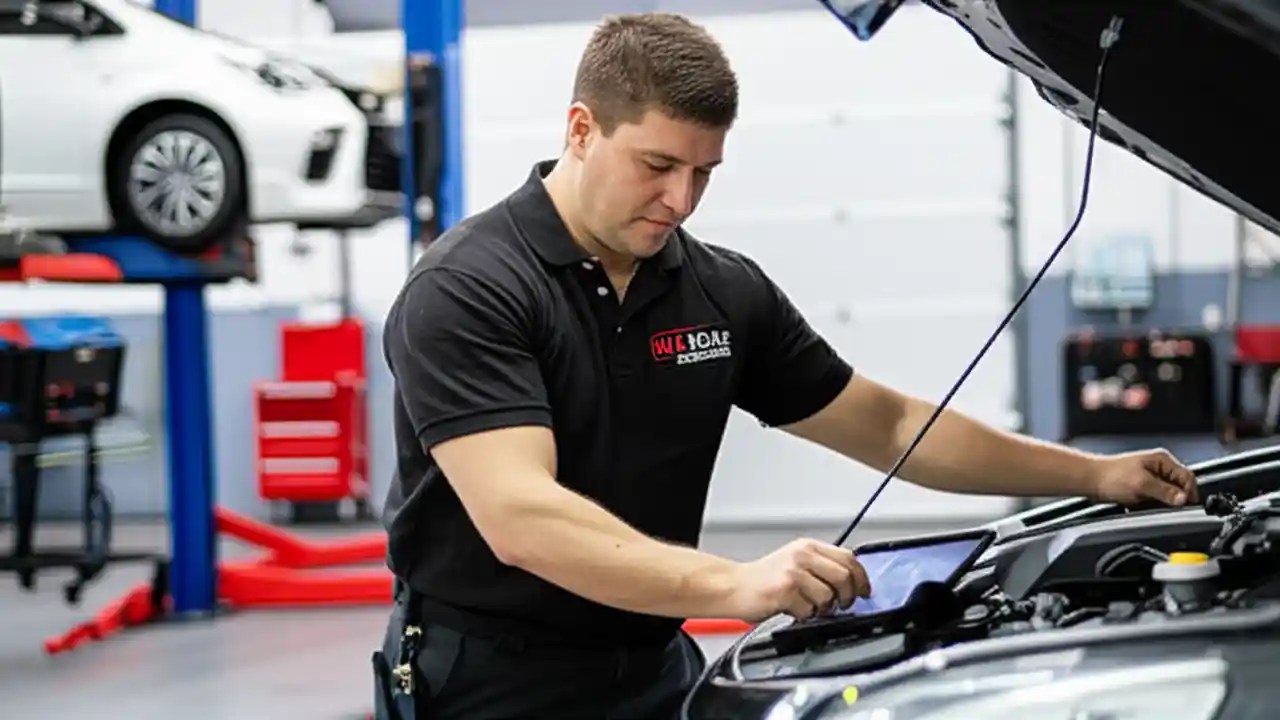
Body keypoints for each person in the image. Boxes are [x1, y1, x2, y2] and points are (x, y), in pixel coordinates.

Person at [372, 12, 1200, 720]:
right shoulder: (470, 287)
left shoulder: (717, 289)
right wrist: (736, 585)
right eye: (658, 166)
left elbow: (891, 424)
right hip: (491, 681)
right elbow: (524, 520)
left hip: (655, 659)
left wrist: (1093, 476)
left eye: (704, 173)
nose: (682, 201)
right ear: (581, 130)